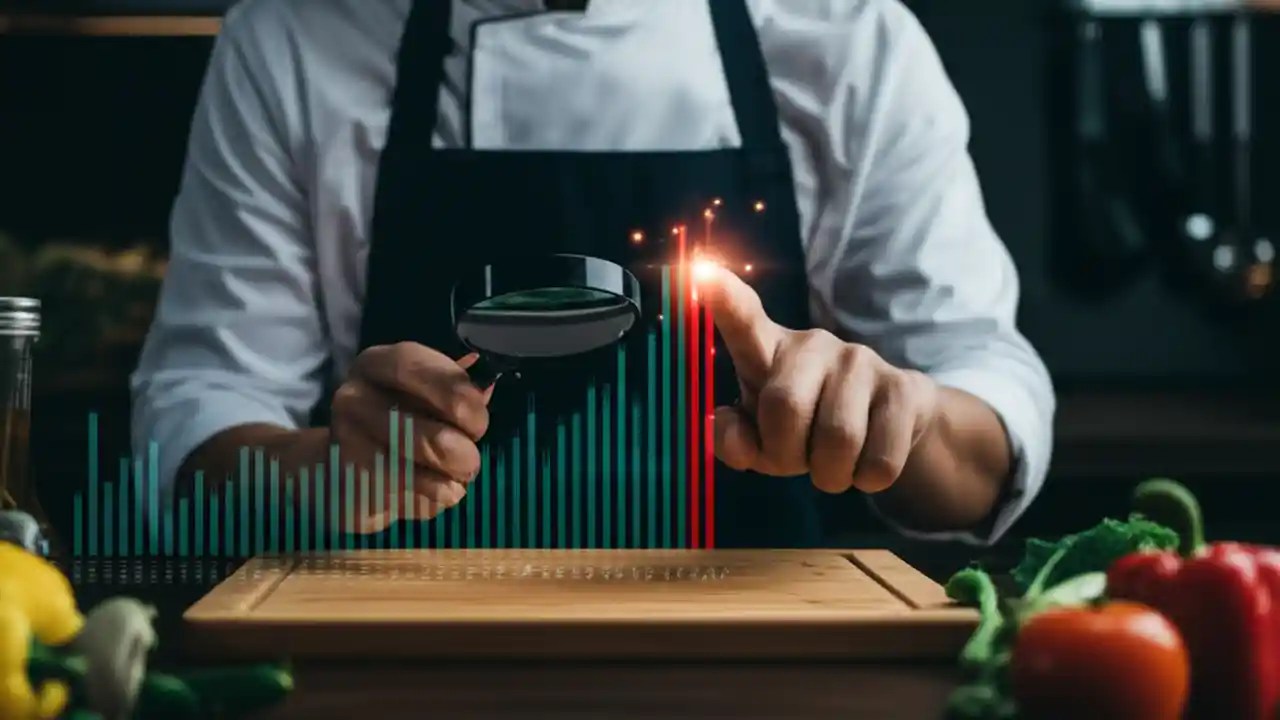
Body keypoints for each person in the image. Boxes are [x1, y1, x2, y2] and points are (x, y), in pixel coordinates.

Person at [131, 0, 1055, 549]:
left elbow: (987, 431)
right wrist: (320, 471)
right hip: (406, 658)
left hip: (762, 662)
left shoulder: (847, 39)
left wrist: (899, 416)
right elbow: (199, 405)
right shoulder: (295, 38)